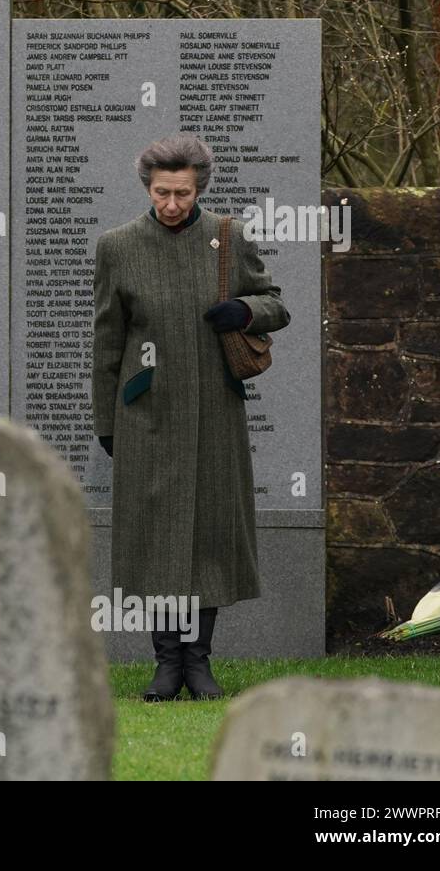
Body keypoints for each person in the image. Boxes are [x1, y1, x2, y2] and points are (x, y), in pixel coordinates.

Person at [90, 134, 291, 702]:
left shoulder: (228, 238)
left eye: (181, 192)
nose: (171, 204)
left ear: (198, 187)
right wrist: (106, 419)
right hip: (145, 413)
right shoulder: (117, 246)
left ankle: (197, 663)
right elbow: (107, 337)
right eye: (161, 193)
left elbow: (277, 303)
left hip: (215, 411)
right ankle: (165, 663)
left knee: (207, 535)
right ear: (147, 189)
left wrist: (246, 309)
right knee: (156, 538)